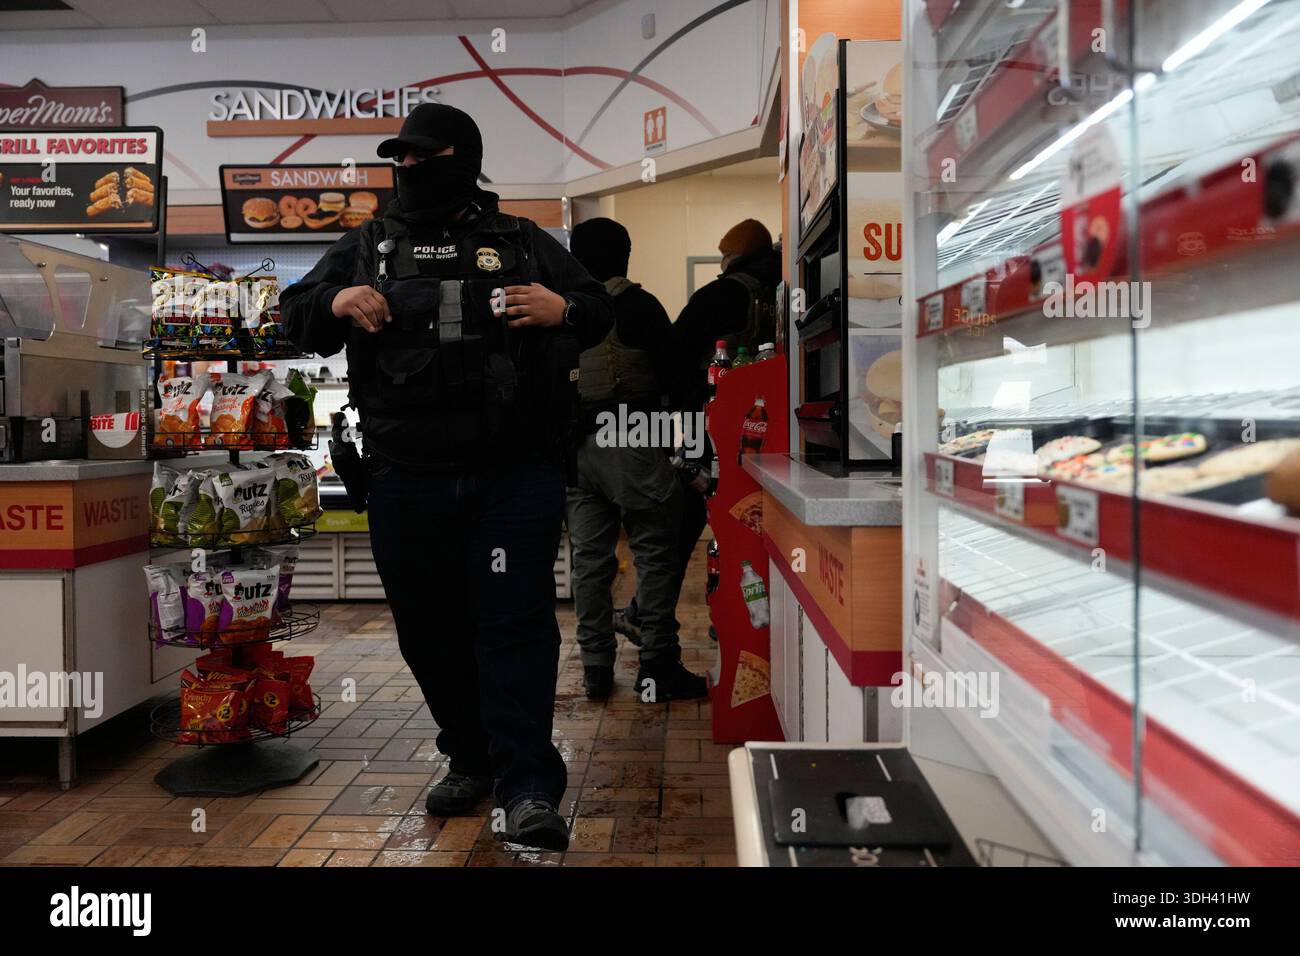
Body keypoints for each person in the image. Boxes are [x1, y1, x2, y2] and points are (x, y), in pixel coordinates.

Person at [281, 103, 613, 852]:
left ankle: (529, 784)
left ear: (462, 158)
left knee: (515, 626)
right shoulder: (369, 243)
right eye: (399, 158)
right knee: (429, 632)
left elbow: (598, 307)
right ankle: (470, 756)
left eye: (422, 157)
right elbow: (292, 315)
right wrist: (334, 299)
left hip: (514, 476)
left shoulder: (523, 241)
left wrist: (564, 308)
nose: (407, 170)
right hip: (406, 479)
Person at [615, 218, 780, 639]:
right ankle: (747, 619)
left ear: (731, 258)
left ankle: (645, 615)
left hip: (711, 424)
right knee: (755, 524)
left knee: (681, 522)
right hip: (771, 426)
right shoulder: (783, 285)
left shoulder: (721, 294)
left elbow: (675, 350)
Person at [565, 218, 708, 703]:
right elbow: (679, 379)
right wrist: (691, 451)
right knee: (655, 552)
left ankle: (596, 668)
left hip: (575, 451)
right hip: (632, 440)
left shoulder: (562, 310)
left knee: (589, 560)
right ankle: (657, 666)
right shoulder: (639, 305)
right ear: (625, 255)